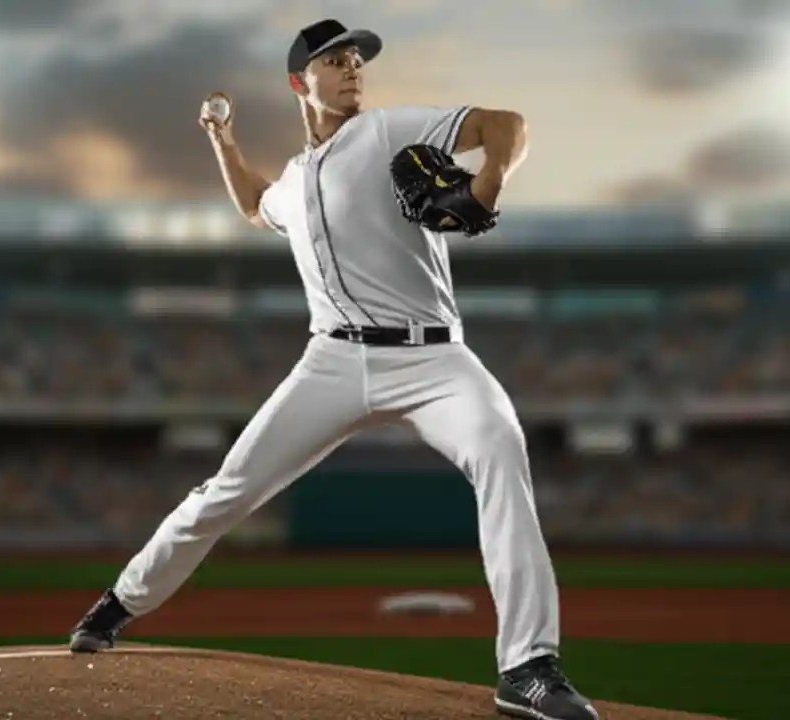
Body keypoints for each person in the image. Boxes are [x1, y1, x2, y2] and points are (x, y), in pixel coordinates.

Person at [68, 18, 597, 720]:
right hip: (334, 360)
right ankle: (119, 603)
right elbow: (257, 207)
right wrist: (225, 145)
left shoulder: (384, 134)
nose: (352, 68)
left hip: (435, 357)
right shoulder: (295, 180)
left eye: (356, 59)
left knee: (501, 448)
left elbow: (509, 124)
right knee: (229, 486)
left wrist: (487, 185)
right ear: (300, 81)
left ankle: (529, 667)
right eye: (334, 59)